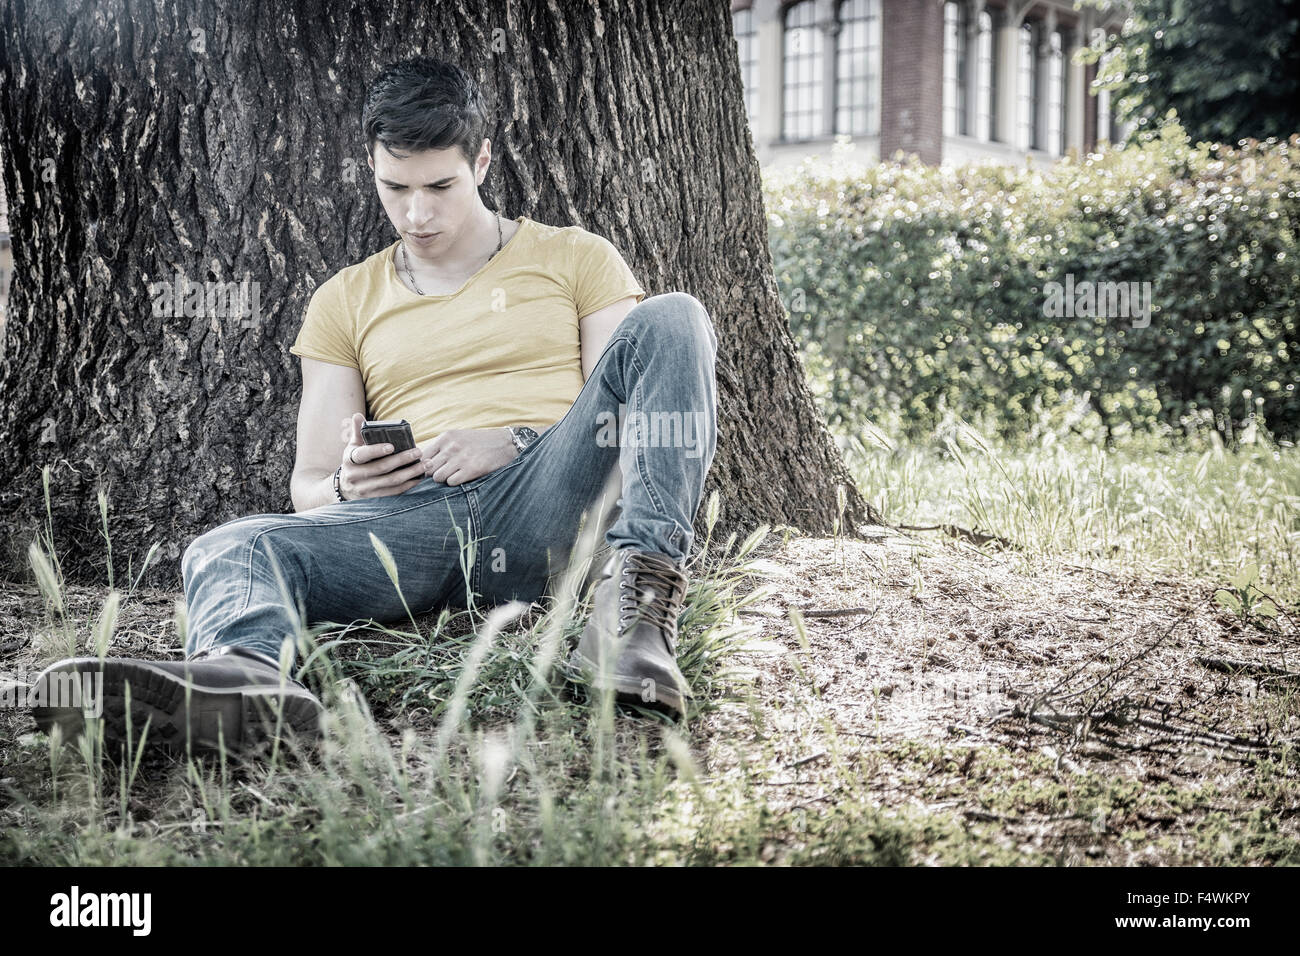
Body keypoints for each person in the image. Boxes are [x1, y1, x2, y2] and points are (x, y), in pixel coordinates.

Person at [28, 56, 719, 755]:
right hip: (411, 524)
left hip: (549, 500)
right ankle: (243, 682)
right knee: (231, 544)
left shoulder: (577, 258)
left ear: (481, 162)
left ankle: (632, 627)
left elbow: (628, 411)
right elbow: (309, 483)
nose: (417, 213)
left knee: (673, 318)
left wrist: (515, 442)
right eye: (396, 187)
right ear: (372, 169)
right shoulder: (343, 300)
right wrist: (344, 484)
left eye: (440, 186)